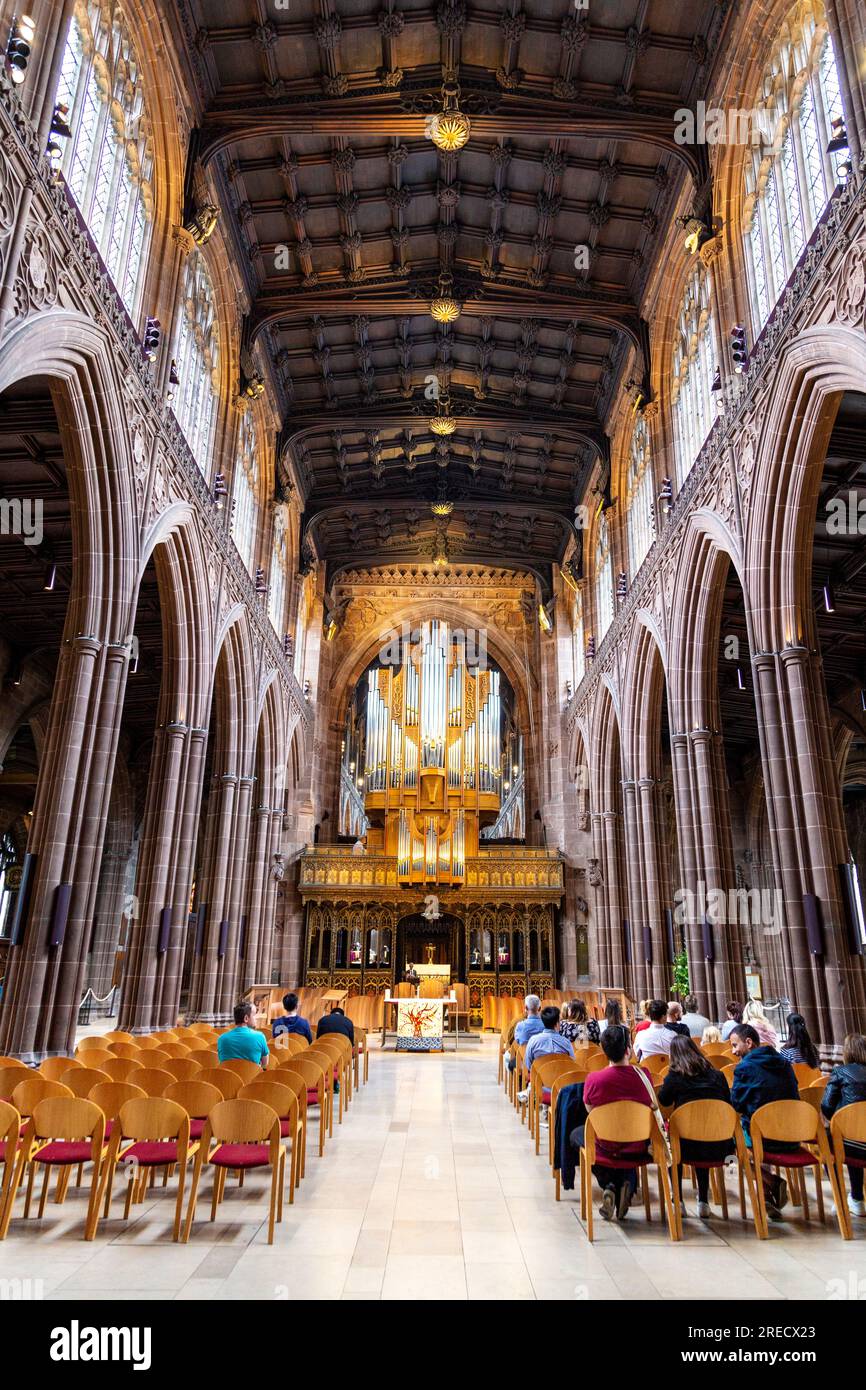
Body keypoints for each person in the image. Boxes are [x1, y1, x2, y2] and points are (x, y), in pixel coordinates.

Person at [573, 1024, 655, 1221]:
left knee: (577, 1134)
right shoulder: (644, 1076)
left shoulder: (594, 1079)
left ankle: (608, 1183)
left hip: (606, 1143)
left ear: (604, 1051)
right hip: (638, 1142)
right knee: (627, 1137)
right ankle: (626, 1184)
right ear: (628, 1049)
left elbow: (591, 1115)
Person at [657, 1035, 734, 1218]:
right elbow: (727, 1103)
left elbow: (664, 1100)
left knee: (671, 1143)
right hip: (721, 1146)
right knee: (703, 1132)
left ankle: (678, 1199)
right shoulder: (718, 1075)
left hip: (686, 1148)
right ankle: (703, 1200)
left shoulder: (675, 1077)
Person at [729, 1022, 798, 1218]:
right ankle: (767, 1196)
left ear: (749, 1042)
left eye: (735, 1045)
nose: (733, 1051)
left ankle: (771, 1182)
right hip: (792, 1135)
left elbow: (737, 1105)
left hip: (763, 1138)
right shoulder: (784, 1064)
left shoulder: (745, 1068)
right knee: (756, 1133)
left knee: (730, 1148)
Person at [821, 1032, 866, 1218]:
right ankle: (856, 1198)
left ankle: (846, 1198)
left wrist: (842, 1119)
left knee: (829, 1144)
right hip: (858, 1140)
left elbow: (826, 1105)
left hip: (851, 1142)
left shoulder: (840, 1072)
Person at [217, 1001, 269, 1068]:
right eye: (254, 1015)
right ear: (246, 1018)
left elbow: (221, 1062)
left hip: (227, 1078)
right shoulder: (260, 1036)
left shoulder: (222, 1039)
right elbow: (265, 1065)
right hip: (251, 1078)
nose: (256, 1018)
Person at [505, 994, 544, 1073]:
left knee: (507, 1057)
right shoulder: (546, 1025)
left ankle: (520, 1082)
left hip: (526, 1063)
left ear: (525, 1008)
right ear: (540, 1008)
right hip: (543, 1064)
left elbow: (517, 1043)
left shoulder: (520, 1026)